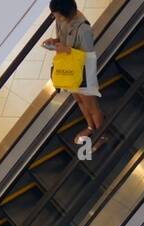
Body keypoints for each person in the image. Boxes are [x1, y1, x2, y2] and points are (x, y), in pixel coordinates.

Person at [45, 0, 104, 148]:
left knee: (91, 105)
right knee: (79, 100)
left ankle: (101, 136)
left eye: (59, 16)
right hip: (69, 71)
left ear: (69, 12)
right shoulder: (60, 19)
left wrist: (66, 49)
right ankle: (90, 127)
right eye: (55, 16)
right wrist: (55, 41)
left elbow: (88, 55)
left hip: (82, 72)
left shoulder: (83, 29)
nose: (57, 19)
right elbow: (62, 37)